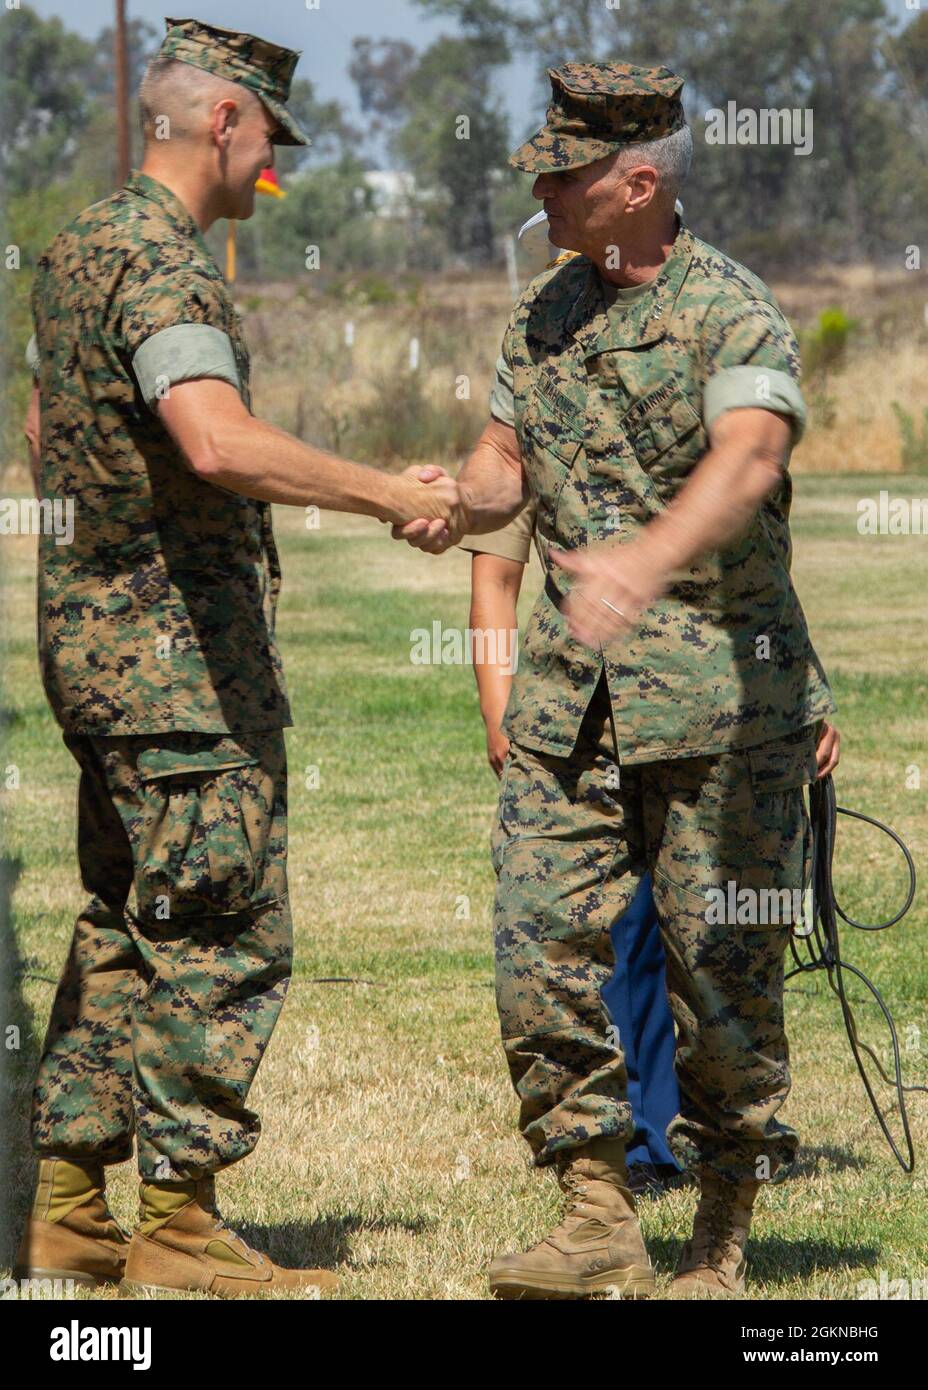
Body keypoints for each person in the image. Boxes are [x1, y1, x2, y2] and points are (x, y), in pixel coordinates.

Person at [14, 16, 463, 1299]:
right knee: (219, 927)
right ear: (223, 122)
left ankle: (64, 1209)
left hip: (96, 656)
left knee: (121, 921)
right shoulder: (166, 264)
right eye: (269, 137)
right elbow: (212, 439)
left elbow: (53, 423)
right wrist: (386, 491)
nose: (275, 165)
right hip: (180, 675)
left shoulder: (79, 248)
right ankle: (177, 1222)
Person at [395, 61, 840, 1299]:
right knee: (536, 948)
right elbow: (502, 463)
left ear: (636, 183)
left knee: (721, 979)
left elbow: (749, 456)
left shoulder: (730, 312)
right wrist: (449, 500)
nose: (539, 185)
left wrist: (644, 558)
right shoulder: (539, 309)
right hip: (566, 709)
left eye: (563, 169)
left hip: (719, 704)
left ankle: (720, 1236)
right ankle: (594, 1213)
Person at [460, 503, 683, 1189]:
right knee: (596, 931)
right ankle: (625, 1143)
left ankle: (677, 1131)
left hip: (695, 711)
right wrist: (499, 709)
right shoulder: (531, 405)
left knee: (681, 932)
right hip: (581, 723)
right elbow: (495, 577)